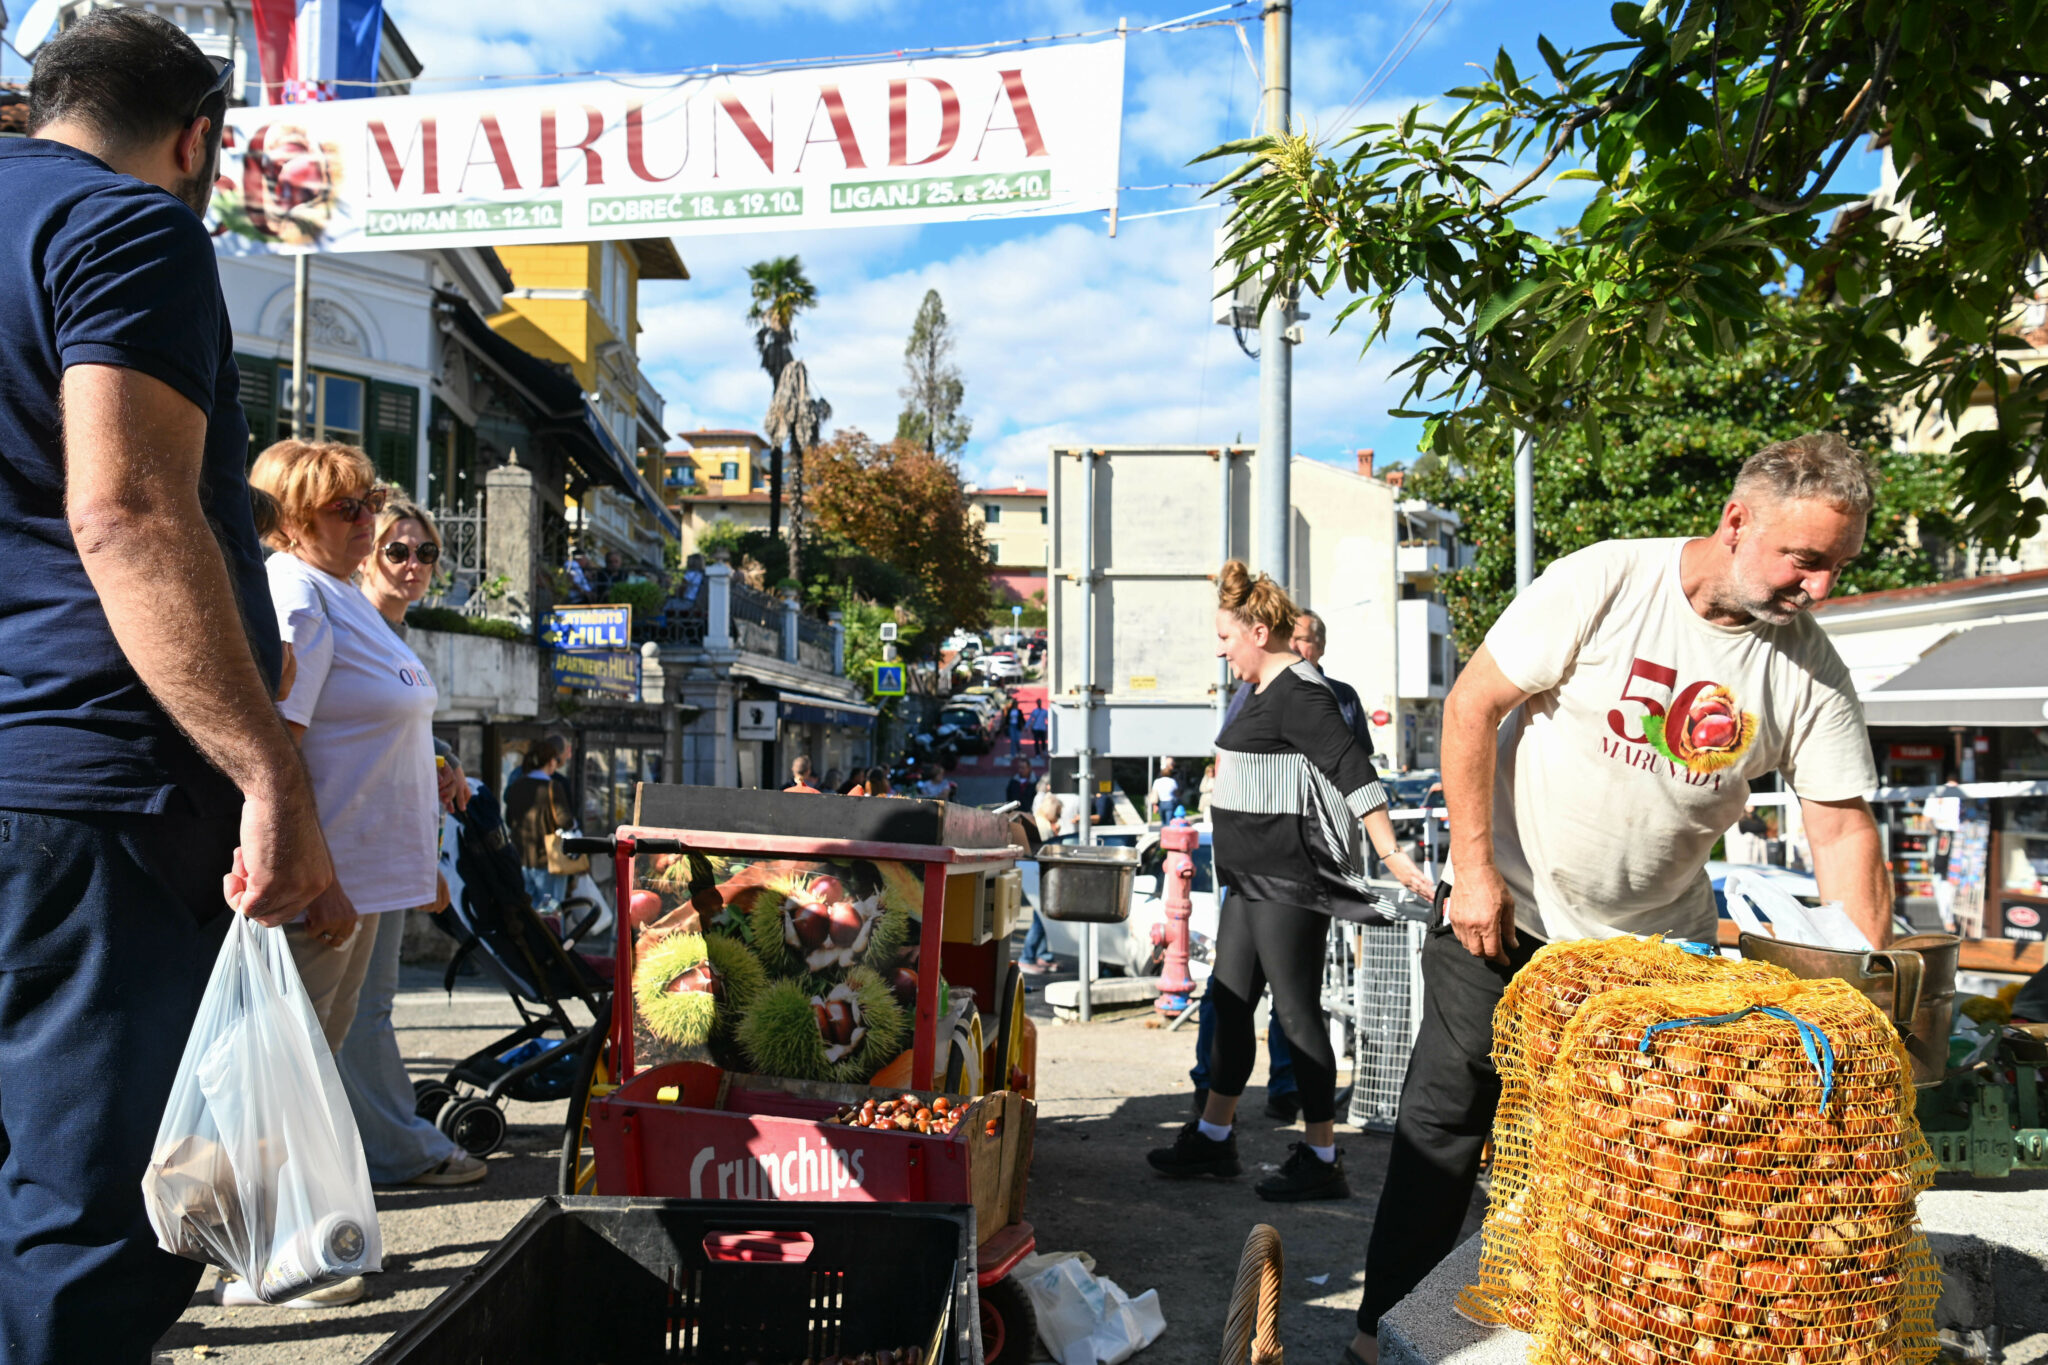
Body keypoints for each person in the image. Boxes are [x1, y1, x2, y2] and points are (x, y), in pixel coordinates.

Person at [1348, 434, 1892, 1365]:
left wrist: (1861, 991)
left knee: (1618, 1159)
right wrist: (1472, 873)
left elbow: (1842, 831)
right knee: (1442, 1131)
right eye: (1805, 560)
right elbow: (1474, 703)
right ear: (1736, 521)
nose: (1821, 588)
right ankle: (1385, 1337)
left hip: (1650, 962)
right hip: (1504, 914)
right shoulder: (1607, 580)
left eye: (1836, 567)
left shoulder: (1810, 669)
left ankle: (1568, 1341)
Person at [0, 14, 337, 1355]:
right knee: (92, 1219)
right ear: (195, 136)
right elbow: (129, 512)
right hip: (95, 796)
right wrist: (270, 769)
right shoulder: (126, 228)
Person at [1150, 562, 1433, 1202]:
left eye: (1225, 638)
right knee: (1228, 1003)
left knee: (1298, 1012)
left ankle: (1322, 1154)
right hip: (1250, 878)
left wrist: (1390, 855)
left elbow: (1352, 768)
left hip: (1289, 875)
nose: (1220, 650)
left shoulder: (1303, 692)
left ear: (1256, 631)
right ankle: (1215, 1140)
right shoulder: (1257, 691)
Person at [249, 441, 443, 1307]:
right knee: (285, 1075)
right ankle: (264, 1257)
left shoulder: (340, 595)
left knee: (314, 1070)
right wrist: (312, 869)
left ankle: (298, 1243)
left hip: (363, 879)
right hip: (330, 881)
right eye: (347, 510)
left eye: (369, 502)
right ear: (293, 520)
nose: (369, 521)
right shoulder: (297, 593)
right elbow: (279, 745)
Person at [340, 496, 487, 1190]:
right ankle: (401, 1148)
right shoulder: (346, 618)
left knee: (364, 1010)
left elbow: (390, 727)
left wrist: (440, 756)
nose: (413, 564)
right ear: (367, 551)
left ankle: (376, 1144)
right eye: (398, 550)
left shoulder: (395, 634)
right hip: (353, 846)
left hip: (389, 845)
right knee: (361, 1011)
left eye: (426, 552)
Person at [505, 737, 571, 913]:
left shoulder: (516, 786)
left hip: (521, 858)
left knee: (528, 913)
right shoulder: (552, 787)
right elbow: (565, 821)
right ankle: (553, 941)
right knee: (551, 912)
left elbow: (508, 820)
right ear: (550, 762)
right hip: (547, 859)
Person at [1019, 778, 1067, 976]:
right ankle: (1027, 957)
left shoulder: (1037, 820)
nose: (1058, 818)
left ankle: (1042, 954)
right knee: (1040, 920)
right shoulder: (1045, 826)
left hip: (1035, 876)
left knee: (1042, 918)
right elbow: (1050, 851)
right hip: (1042, 877)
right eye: (1058, 815)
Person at [1149, 757, 1181, 823]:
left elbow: (1154, 793)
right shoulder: (1172, 781)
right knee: (1169, 821)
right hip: (1170, 803)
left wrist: (1154, 805)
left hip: (1161, 803)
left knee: (1163, 822)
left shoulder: (1157, 781)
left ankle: (1164, 832)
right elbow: (1177, 793)